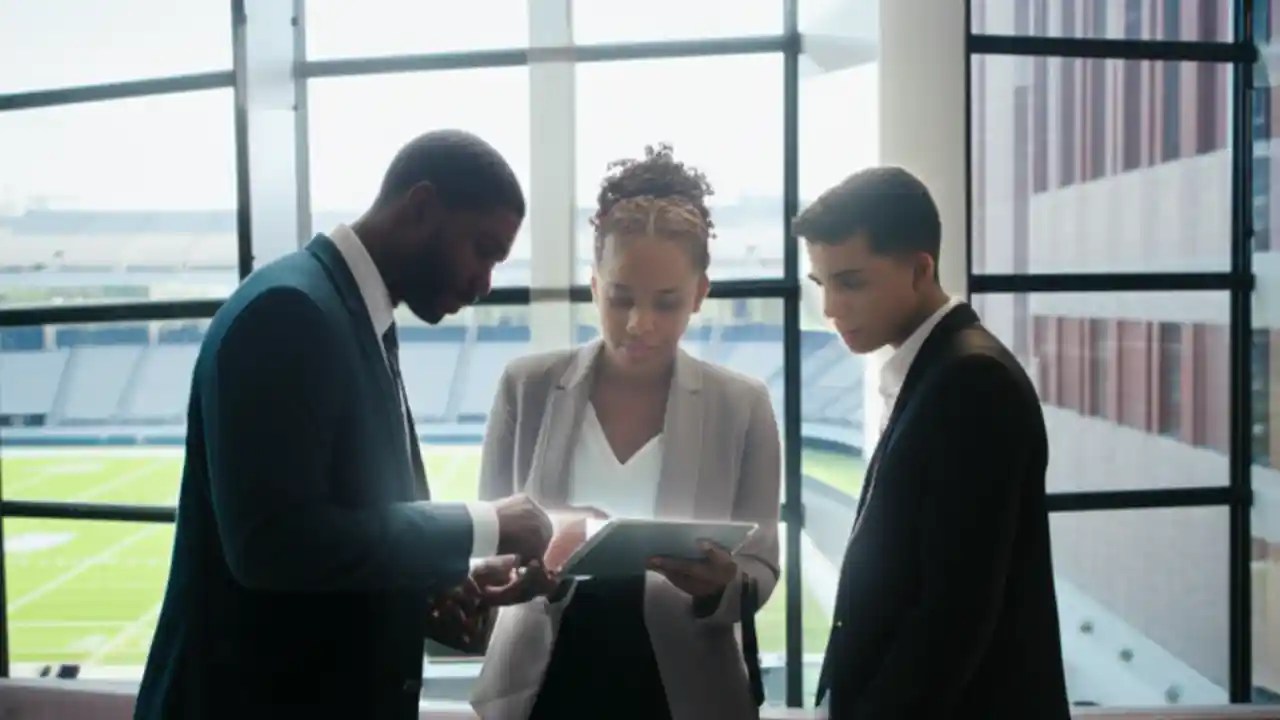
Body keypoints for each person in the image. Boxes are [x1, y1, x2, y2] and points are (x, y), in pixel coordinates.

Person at [135, 130, 555, 720]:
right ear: (422, 207)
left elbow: (342, 521)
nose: (485, 283)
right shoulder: (291, 312)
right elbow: (273, 545)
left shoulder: (350, 310)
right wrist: (484, 523)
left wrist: (429, 585)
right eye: (483, 249)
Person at [468, 144, 782, 720]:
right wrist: (519, 570)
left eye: (667, 303)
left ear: (700, 296)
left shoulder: (743, 405)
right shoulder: (525, 386)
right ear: (594, 287)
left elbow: (761, 569)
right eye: (620, 298)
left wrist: (717, 585)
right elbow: (488, 547)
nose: (640, 323)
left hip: (680, 688)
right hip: (543, 681)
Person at [799, 167, 1070, 719]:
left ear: (921, 269)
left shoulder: (971, 380)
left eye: (850, 282)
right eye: (820, 283)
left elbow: (954, 612)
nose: (830, 308)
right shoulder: (935, 369)